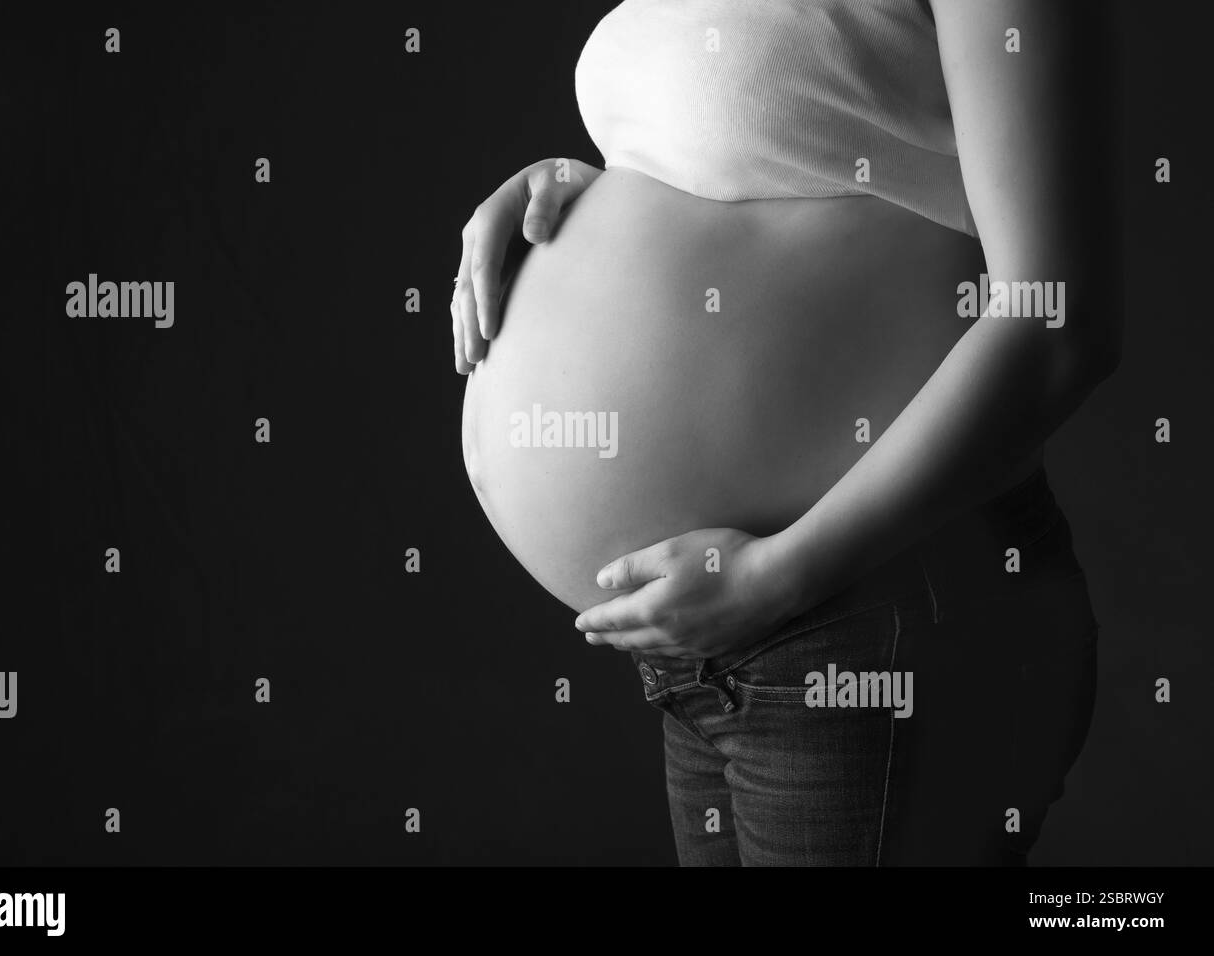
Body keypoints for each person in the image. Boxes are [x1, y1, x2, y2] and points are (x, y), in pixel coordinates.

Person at [453, 0, 1117, 865]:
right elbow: (788, 141)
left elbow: (1060, 322)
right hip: (718, 638)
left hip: (862, 609)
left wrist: (778, 573)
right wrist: (589, 183)